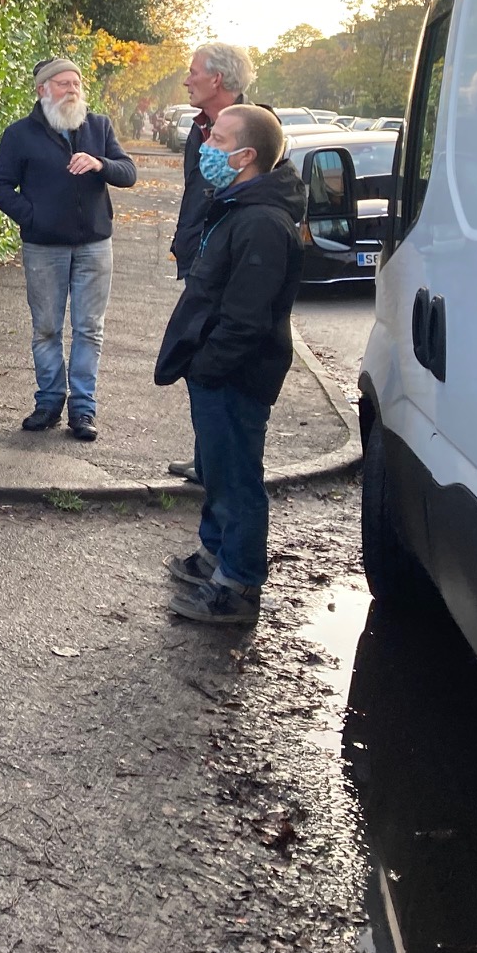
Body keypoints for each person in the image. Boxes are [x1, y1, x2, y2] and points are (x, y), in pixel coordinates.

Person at [153, 104, 305, 625]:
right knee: (218, 471)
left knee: (237, 479)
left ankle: (236, 587)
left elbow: (246, 319)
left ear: (245, 157)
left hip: (236, 375)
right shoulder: (239, 206)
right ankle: (214, 555)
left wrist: (208, 366)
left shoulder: (261, 222)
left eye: (218, 140)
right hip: (218, 371)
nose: (207, 148)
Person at [0, 57, 137, 441]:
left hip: (95, 245)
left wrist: (100, 163)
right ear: (43, 90)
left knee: (90, 329)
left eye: (76, 83)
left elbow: (128, 172)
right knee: (46, 329)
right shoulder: (20, 134)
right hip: (44, 248)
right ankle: (49, 402)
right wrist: (32, 217)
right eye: (64, 83)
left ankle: (83, 409)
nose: (72, 89)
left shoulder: (99, 126)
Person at [166, 41, 255, 484]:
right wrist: (184, 245)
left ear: (217, 79)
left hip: (229, 267)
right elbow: (195, 195)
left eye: (194, 71)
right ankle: (206, 459)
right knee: (196, 357)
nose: (187, 80)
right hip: (198, 261)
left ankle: (219, 466)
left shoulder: (252, 128)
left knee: (219, 362)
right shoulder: (200, 128)